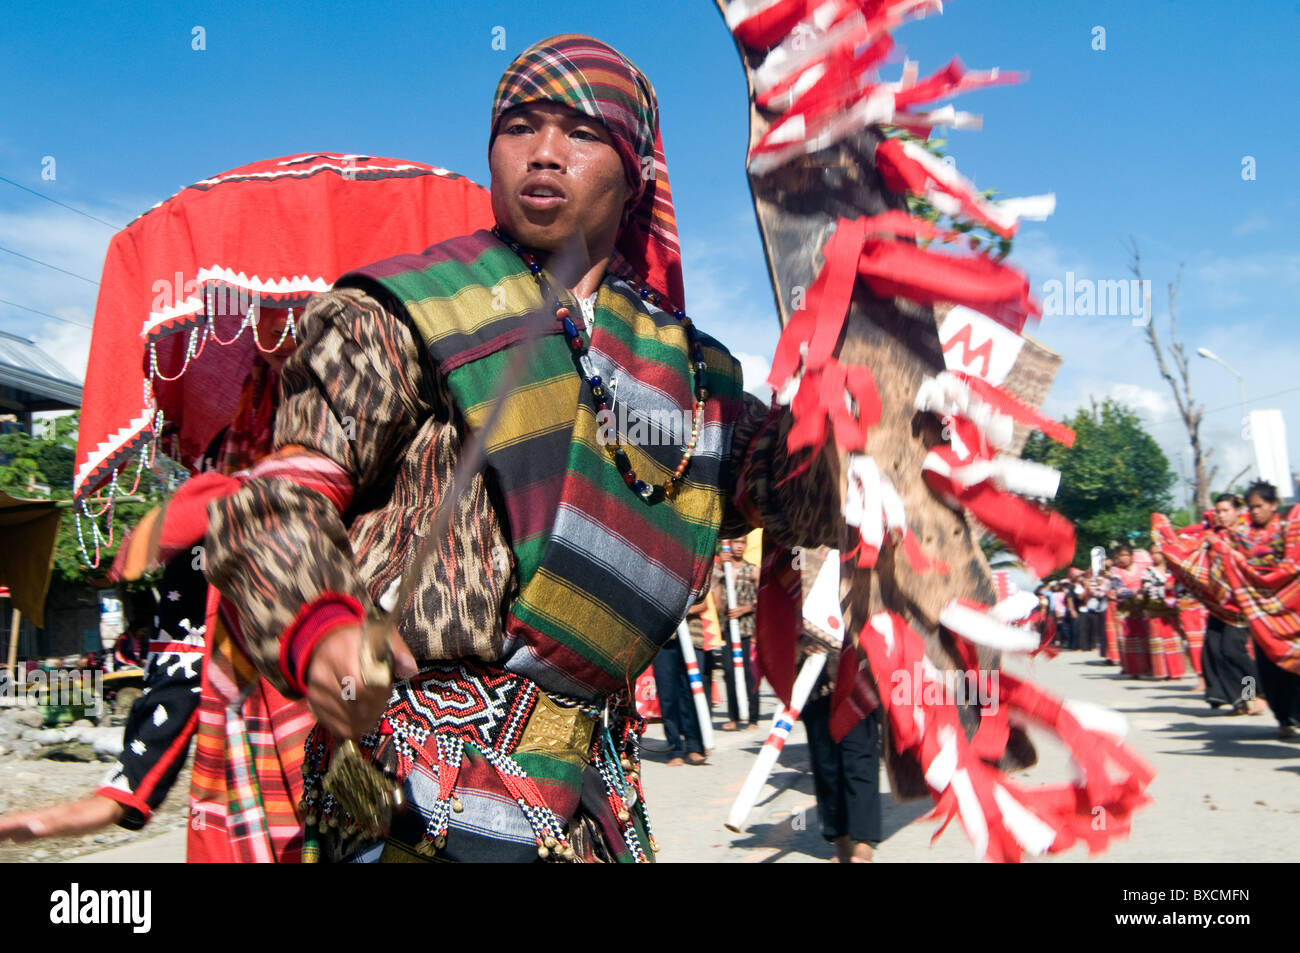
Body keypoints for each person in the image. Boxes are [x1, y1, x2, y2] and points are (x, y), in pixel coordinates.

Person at [202, 34, 843, 863]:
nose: (543, 152)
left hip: (589, 805)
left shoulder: (692, 372)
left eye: (579, 133)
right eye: (519, 127)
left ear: (635, 168)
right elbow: (274, 500)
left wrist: (861, 405)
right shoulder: (404, 311)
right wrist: (322, 625)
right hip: (411, 792)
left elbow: (800, 500)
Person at [1236, 482, 1300, 738]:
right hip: (1253, 614)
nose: (1254, 512)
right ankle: (1248, 699)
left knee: (1287, 664)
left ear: (1274, 505)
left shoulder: (1288, 533)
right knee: (1247, 661)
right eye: (1250, 508)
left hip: (1287, 613)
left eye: (1259, 506)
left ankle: (1248, 699)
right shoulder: (1240, 536)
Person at [1196, 494, 1264, 714]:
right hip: (1219, 605)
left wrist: (1220, 546)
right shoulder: (1217, 535)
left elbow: (1248, 559)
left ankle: (1256, 693)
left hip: (1241, 604)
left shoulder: (1246, 534)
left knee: (1233, 650)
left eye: (1226, 510)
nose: (1221, 515)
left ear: (1237, 511)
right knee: (1214, 651)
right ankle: (1240, 700)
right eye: (1219, 511)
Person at [713, 536, 760, 730]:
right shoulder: (722, 570)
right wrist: (718, 569)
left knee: (750, 673)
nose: (739, 546)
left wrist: (746, 608)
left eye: (742, 543)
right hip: (727, 629)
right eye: (736, 542)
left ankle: (752, 718)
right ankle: (733, 716)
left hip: (747, 629)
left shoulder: (752, 570)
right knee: (729, 672)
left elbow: (763, 598)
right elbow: (714, 597)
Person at [1140, 545, 1185, 680]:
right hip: (1156, 611)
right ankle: (1162, 672)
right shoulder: (1148, 572)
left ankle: (1176, 672)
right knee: (1159, 643)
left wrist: (1173, 591)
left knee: (1173, 641)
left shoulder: (1173, 570)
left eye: (1158, 553)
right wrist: (1164, 589)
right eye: (1152, 553)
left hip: (1173, 612)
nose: (1155, 556)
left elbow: (1182, 587)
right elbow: (1147, 590)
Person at [1109, 546, 1149, 676]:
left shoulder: (1143, 569)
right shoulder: (1116, 572)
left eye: (1125, 555)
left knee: (1145, 638)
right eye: (1120, 556)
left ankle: (1148, 667)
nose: (1122, 558)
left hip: (1144, 608)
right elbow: (1119, 591)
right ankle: (1133, 669)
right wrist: (1136, 592)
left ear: (1132, 556)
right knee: (1128, 639)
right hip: (1126, 610)